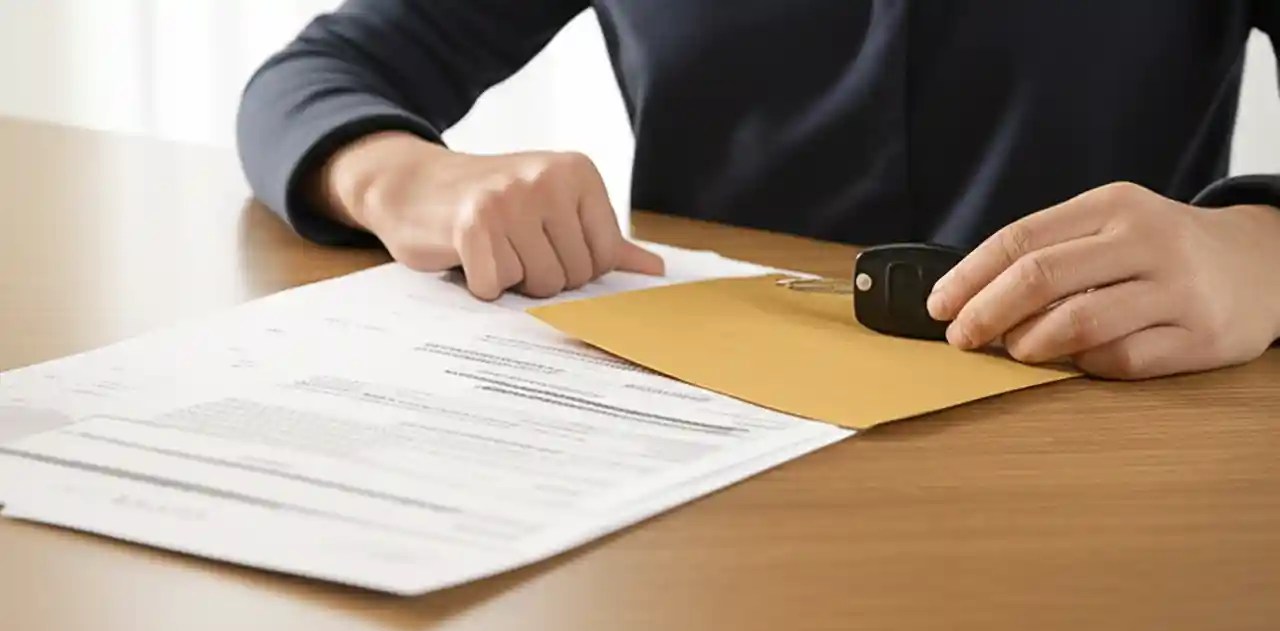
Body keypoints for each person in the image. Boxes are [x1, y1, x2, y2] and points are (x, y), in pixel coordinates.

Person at [236, 1, 1280, 380]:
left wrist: (1260, 248)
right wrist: (408, 177)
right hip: (698, 441)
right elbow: (317, 77)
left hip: (1110, 426)